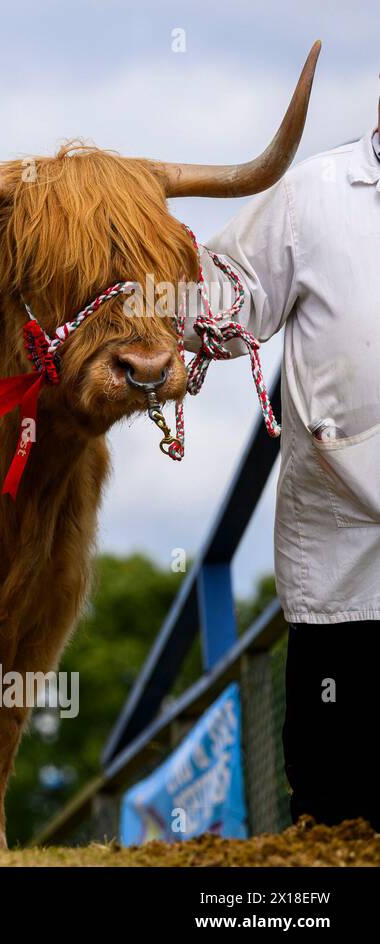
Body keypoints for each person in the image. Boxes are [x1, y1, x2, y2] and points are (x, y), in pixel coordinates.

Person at [186, 102, 380, 831]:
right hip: (342, 536)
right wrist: (147, 291)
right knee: (337, 801)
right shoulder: (313, 195)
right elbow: (228, 297)